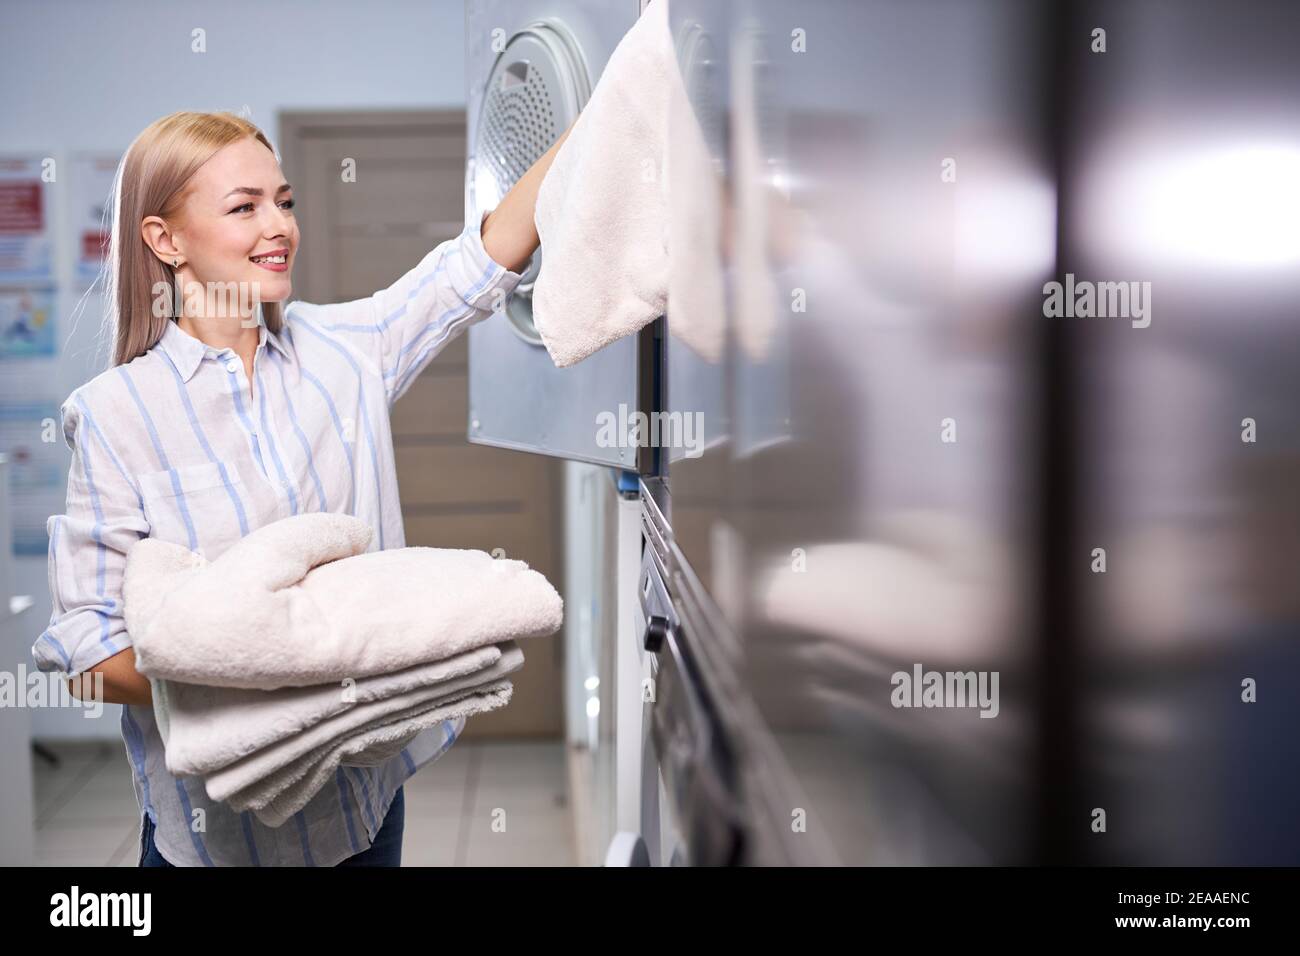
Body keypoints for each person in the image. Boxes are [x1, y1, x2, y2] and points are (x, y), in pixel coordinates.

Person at [31, 109, 569, 866]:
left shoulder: (344, 353)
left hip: (365, 810)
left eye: (283, 201)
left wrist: (600, 114)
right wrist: (274, 681)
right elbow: (88, 654)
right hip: (223, 842)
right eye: (244, 206)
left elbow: (474, 266)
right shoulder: (117, 416)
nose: (278, 225)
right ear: (165, 240)